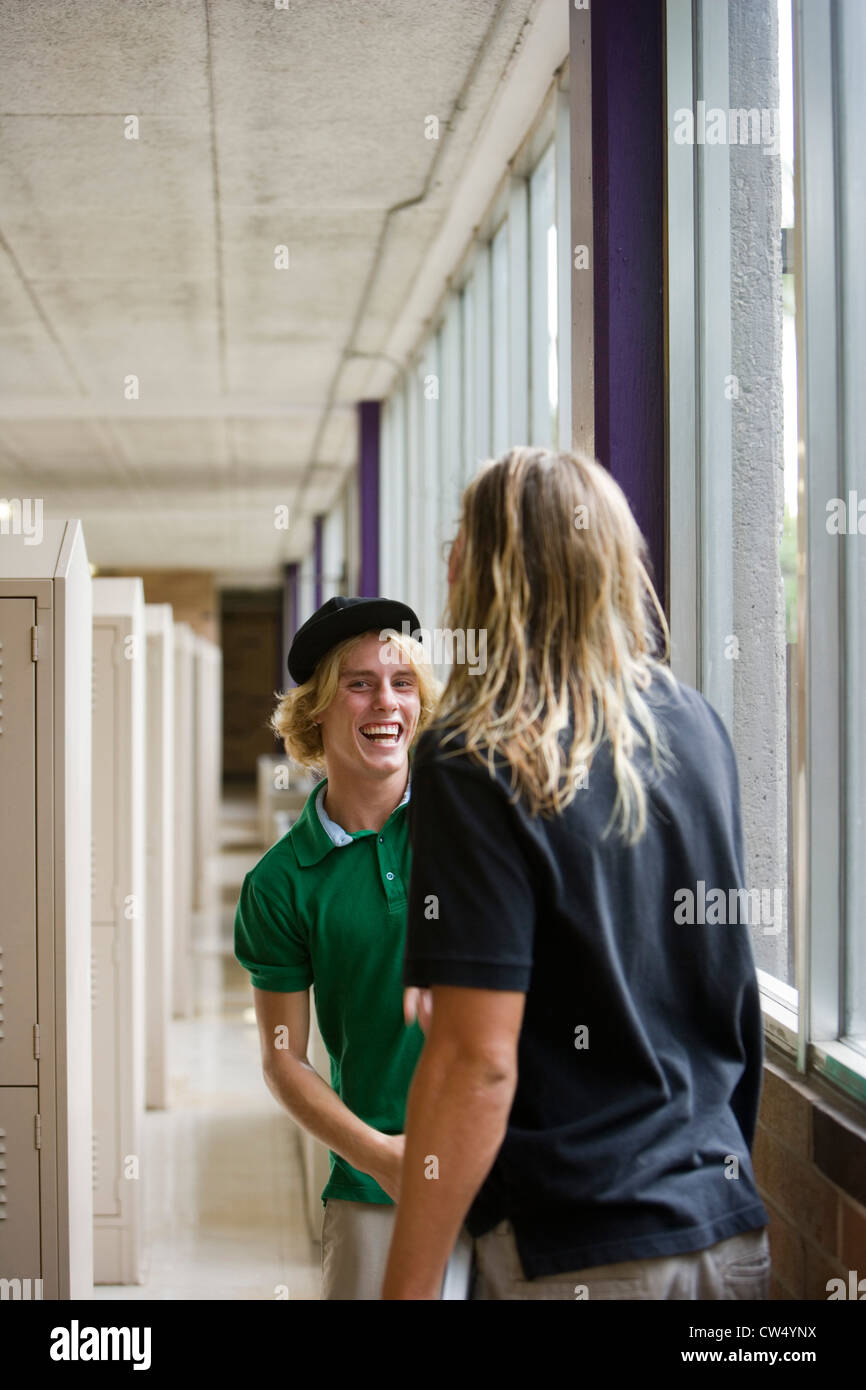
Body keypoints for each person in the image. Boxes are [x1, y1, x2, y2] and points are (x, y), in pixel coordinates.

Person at [382, 447, 771, 1301]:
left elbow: (475, 1062)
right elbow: (733, 992)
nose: (445, 558)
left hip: (579, 1252)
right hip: (726, 1232)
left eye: (459, 537)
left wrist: (403, 1290)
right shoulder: (696, 727)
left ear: (485, 568)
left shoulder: (475, 754)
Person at [234, 596, 471, 1299]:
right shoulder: (279, 884)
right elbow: (282, 1058)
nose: (386, 702)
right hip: (374, 1189)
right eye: (359, 683)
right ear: (315, 711)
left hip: (508, 1169)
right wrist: (384, 1159)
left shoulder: (472, 831)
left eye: (402, 683)